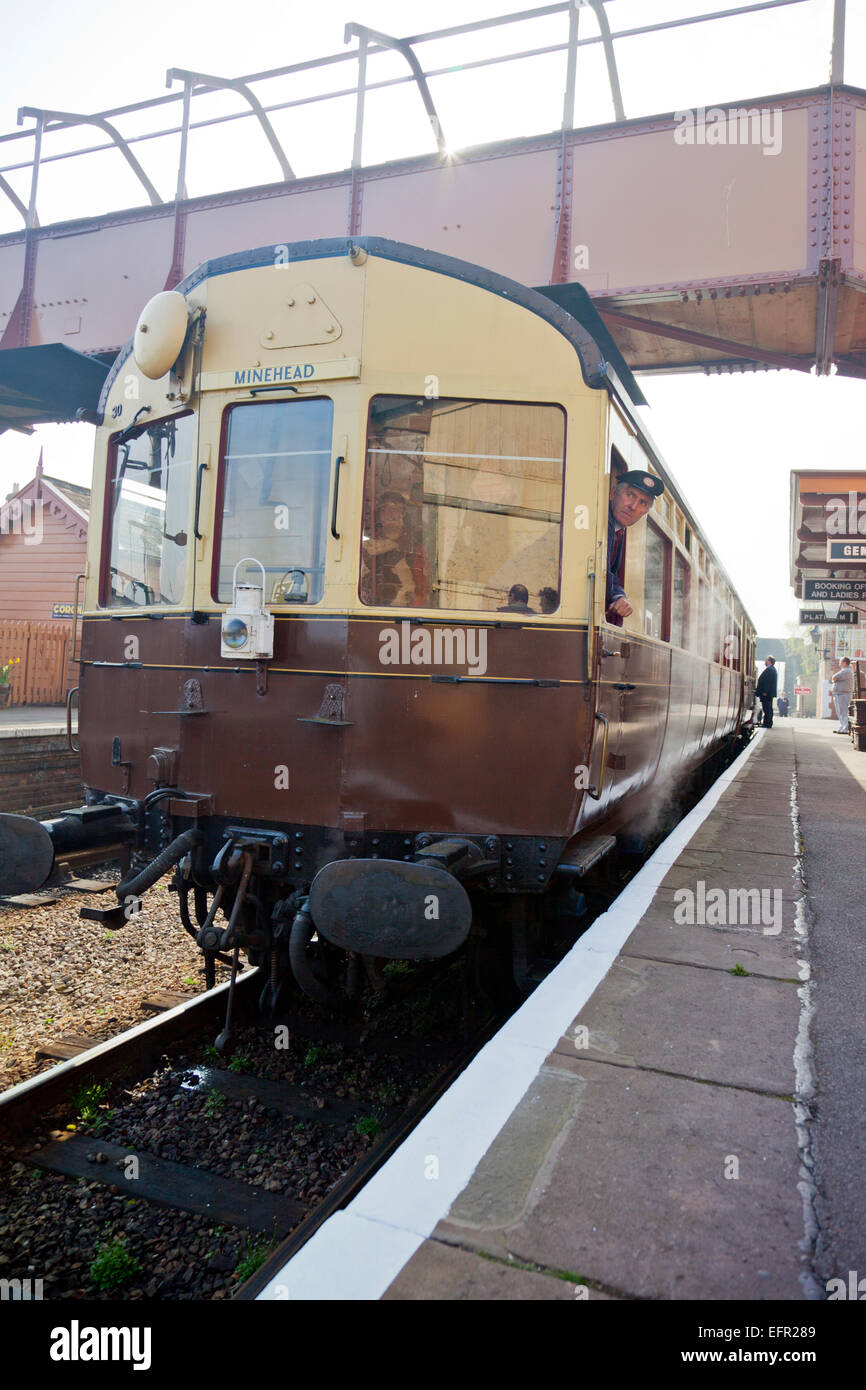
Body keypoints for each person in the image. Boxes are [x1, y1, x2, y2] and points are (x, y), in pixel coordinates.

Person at [606, 469, 665, 626]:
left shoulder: (619, 531)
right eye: (630, 495)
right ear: (613, 493)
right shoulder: (602, 523)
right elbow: (601, 572)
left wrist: (619, 595)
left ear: (645, 512)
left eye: (643, 502)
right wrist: (618, 595)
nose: (633, 506)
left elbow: (609, 572)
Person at [829, 657, 855, 733]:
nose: (839, 663)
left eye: (840, 661)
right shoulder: (845, 670)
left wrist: (835, 679)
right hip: (840, 694)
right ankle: (842, 727)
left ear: (844, 662)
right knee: (840, 712)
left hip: (843, 694)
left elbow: (834, 677)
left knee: (844, 711)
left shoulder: (846, 670)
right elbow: (835, 678)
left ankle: (845, 728)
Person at [756, 656, 777, 728]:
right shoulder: (772, 669)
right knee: (768, 708)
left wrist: (765, 691)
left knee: (767, 709)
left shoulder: (770, 670)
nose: (765, 661)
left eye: (766, 660)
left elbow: (768, 682)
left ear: (769, 661)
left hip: (766, 694)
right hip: (768, 693)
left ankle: (767, 723)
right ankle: (767, 723)